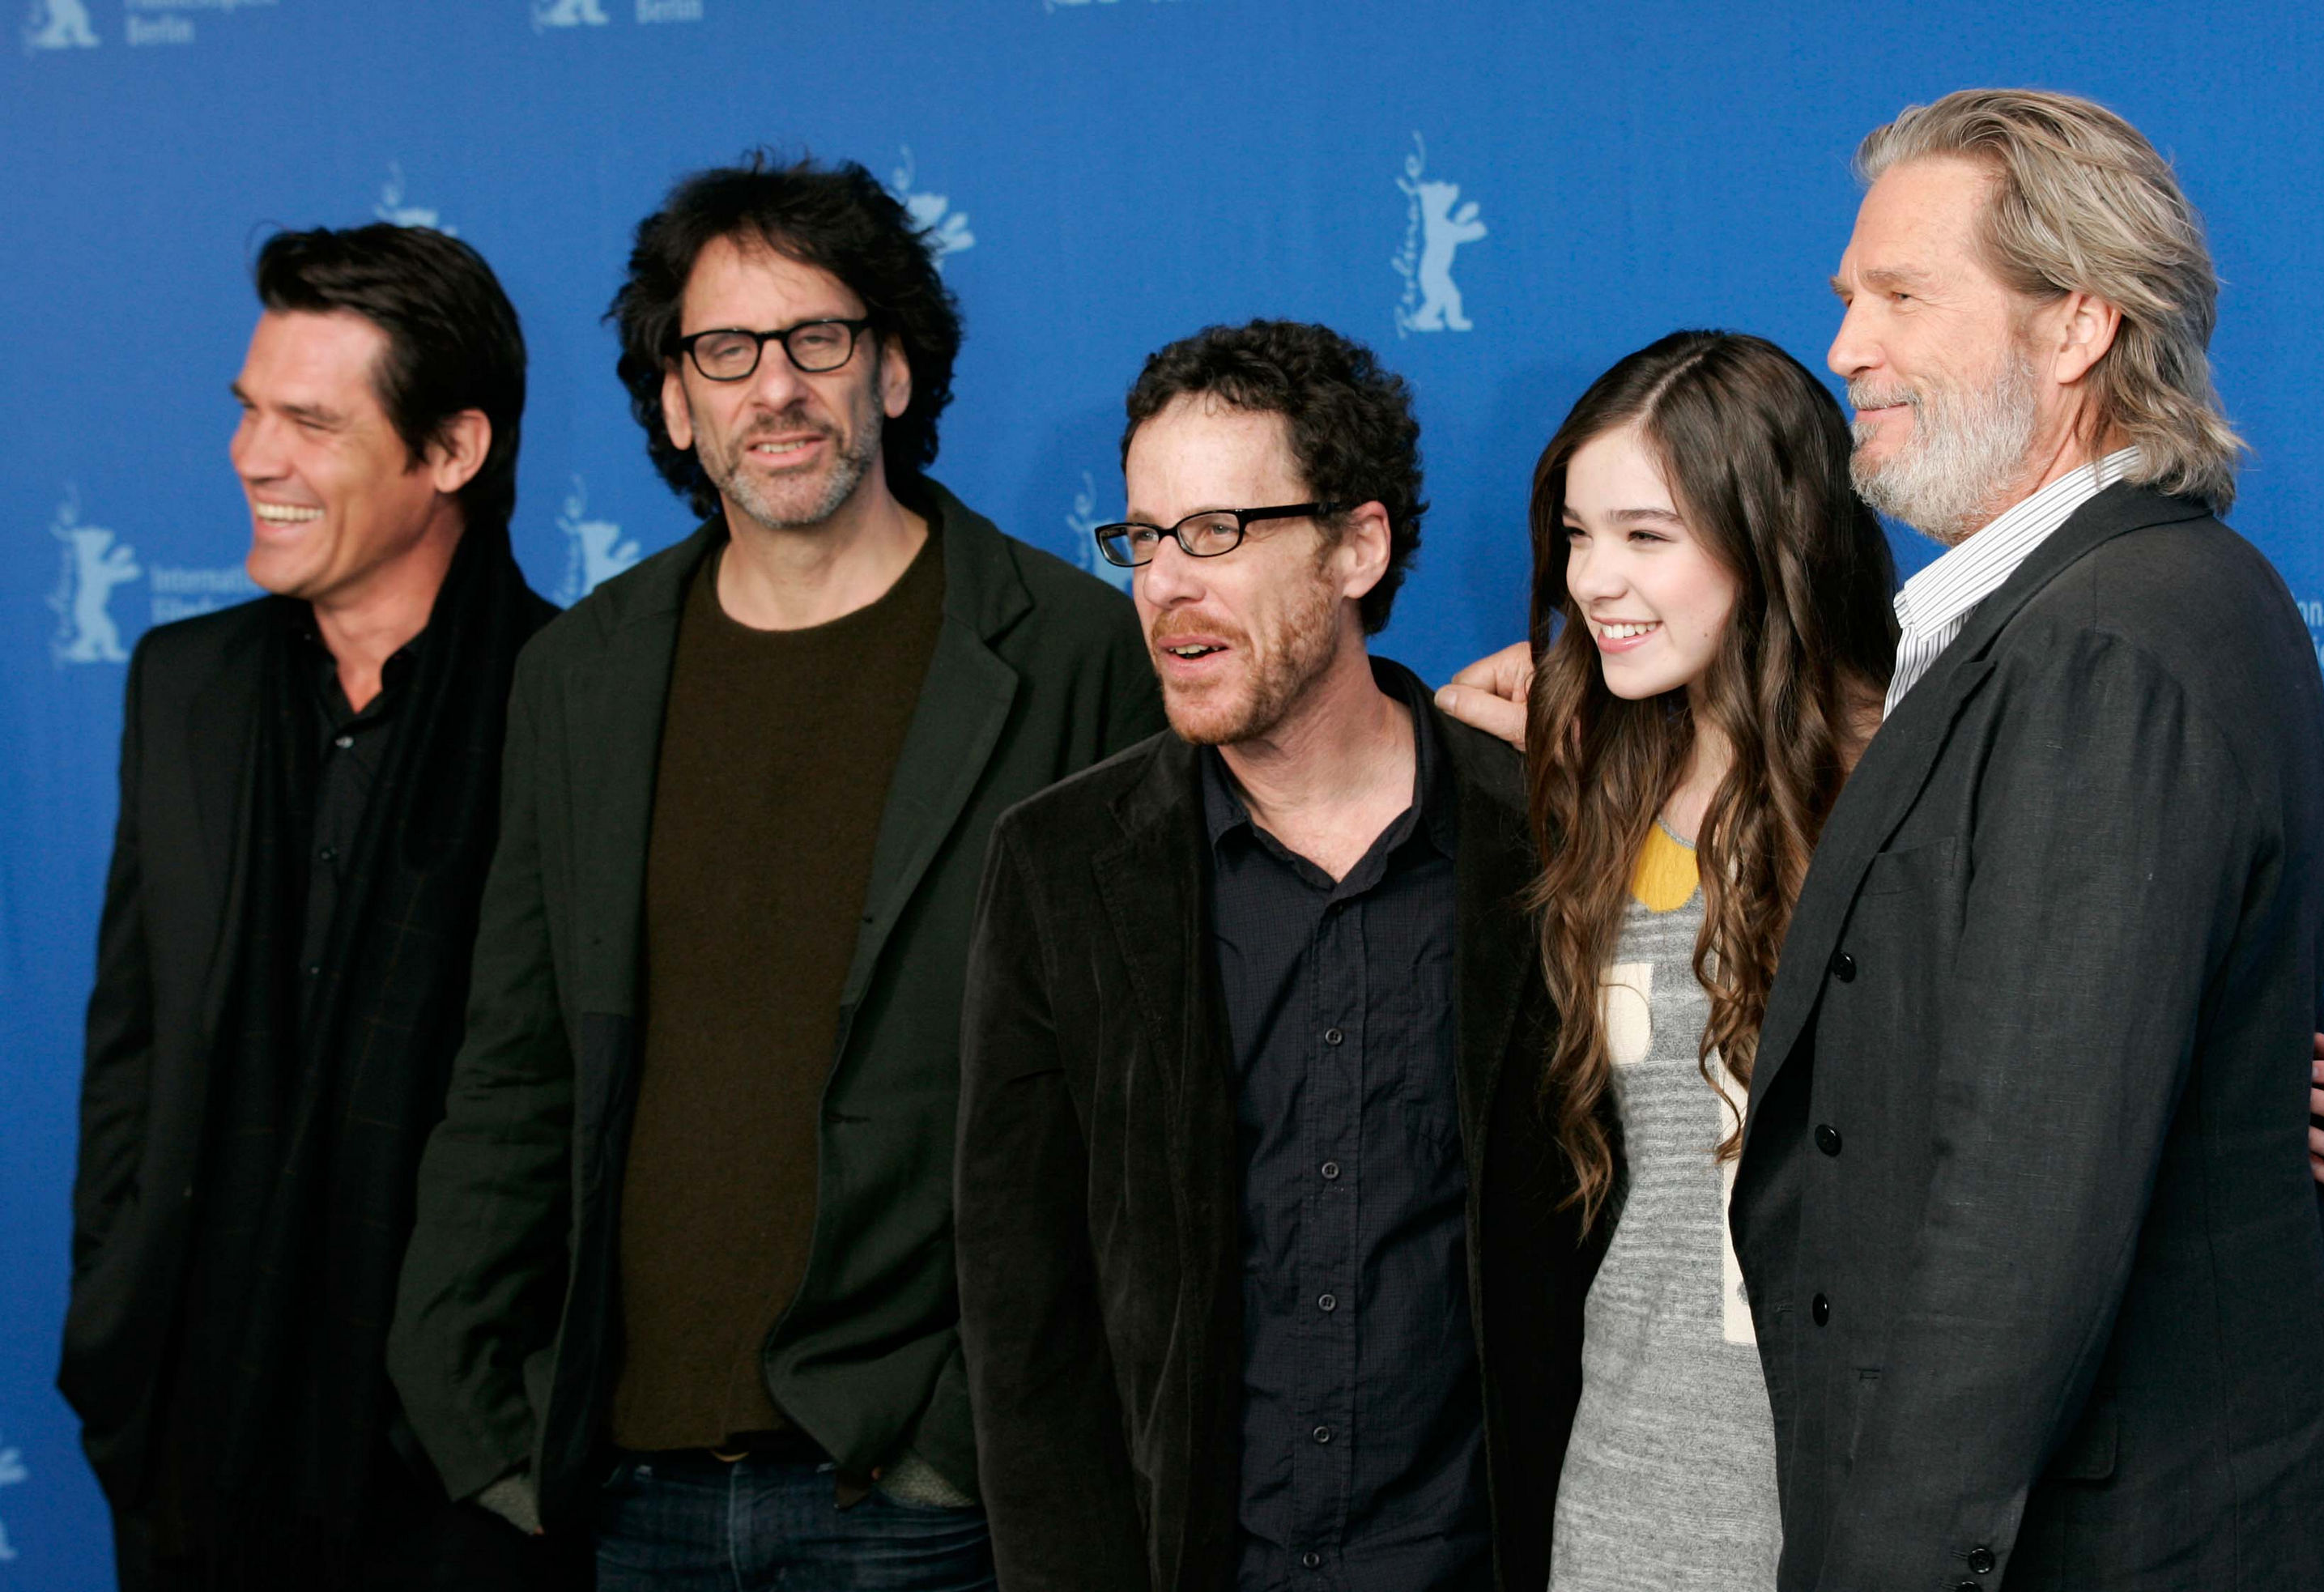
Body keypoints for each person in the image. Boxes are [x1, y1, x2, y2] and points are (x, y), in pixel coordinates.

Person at [1445, 88, 2324, 1589]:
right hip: (1658, 1473)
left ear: (2077, 325)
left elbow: (2025, 1193)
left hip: (2008, 1511)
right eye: (1846, 298)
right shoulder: (2040, 633)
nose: (1849, 349)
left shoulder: (2099, 646)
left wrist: (2237, 1085)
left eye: (1901, 296)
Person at [386, 152, 1161, 1591]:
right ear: (676, 401)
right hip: (629, 1488)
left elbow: (1128, 1106)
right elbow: (514, 1063)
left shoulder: (1066, 658)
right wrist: (476, 1407)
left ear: (897, 374)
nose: (777, 387)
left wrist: (956, 1438)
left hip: (925, 1497)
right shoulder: (580, 679)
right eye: (726, 350)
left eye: (821, 339)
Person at [956, 319, 1598, 1592]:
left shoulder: (1547, 838)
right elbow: (1024, 1318)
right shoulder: (1060, 865)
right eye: (1142, 537)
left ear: (1357, 546)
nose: (1163, 584)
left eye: (1218, 533)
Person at [60, 224, 576, 1590]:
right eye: (247, 411)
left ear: (453, 450)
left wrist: (513, 1431)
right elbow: (133, 1041)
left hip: (463, 1470)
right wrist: (116, 1329)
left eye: (309, 421)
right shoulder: (185, 687)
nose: (252, 457)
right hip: (189, 1435)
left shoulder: (575, 701)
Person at [1517, 330, 1896, 1591]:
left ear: (1770, 536)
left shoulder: (1912, 783)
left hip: (1859, 1487)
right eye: (1576, 534)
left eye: (1644, 534)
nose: (1595, 581)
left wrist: (2265, 1086)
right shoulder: (1587, 770)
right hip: (1629, 1487)